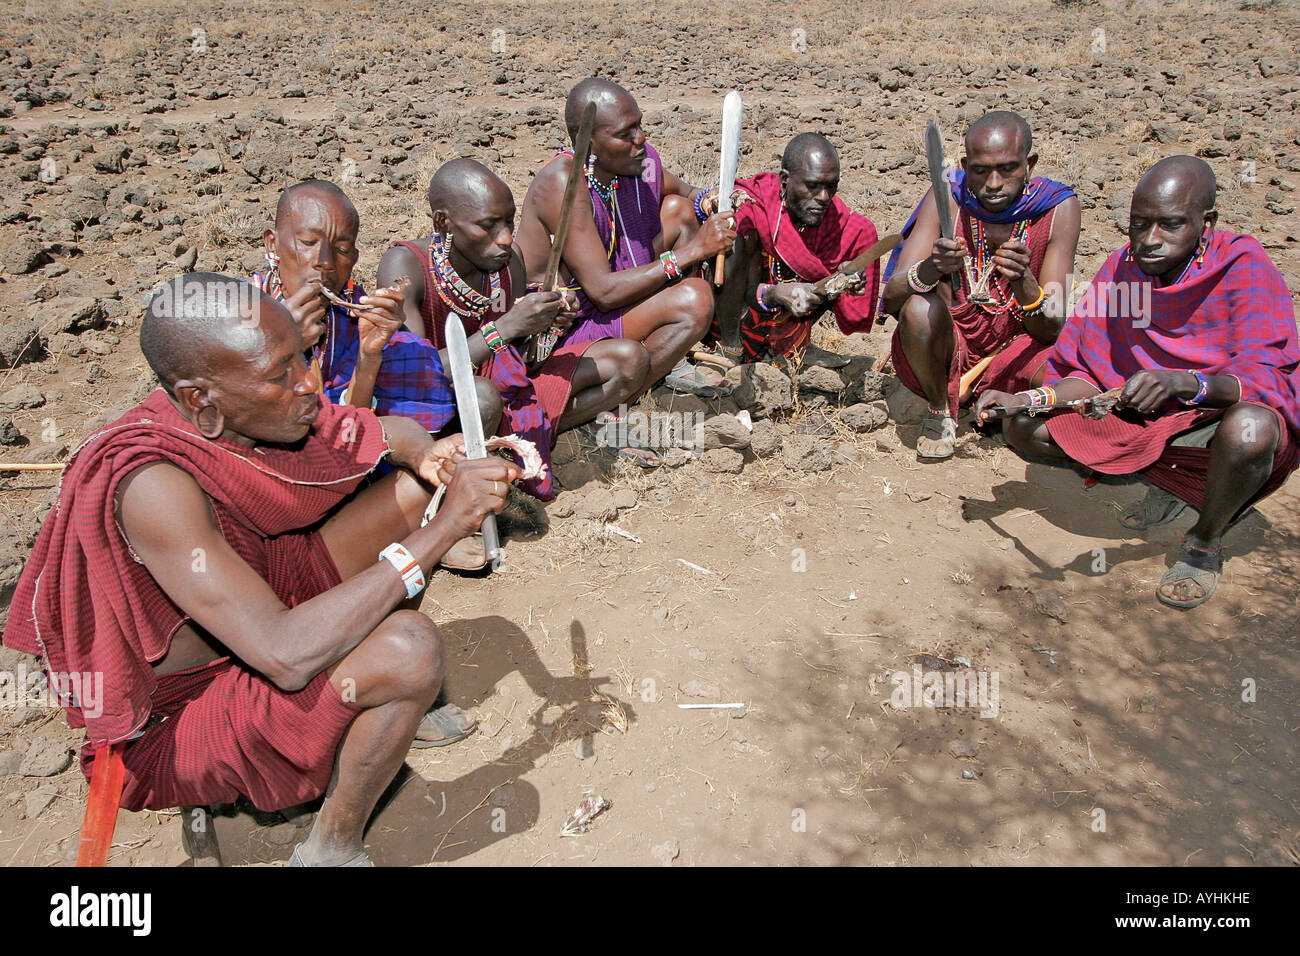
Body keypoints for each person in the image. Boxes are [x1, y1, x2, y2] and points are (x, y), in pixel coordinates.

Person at [0, 274, 520, 864]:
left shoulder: (250, 408)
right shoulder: (152, 485)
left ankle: (366, 715)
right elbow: (285, 655)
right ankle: (332, 847)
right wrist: (444, 529)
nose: (310, 382)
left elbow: (383, 433)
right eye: (282, 373)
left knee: (408, 494)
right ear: (199, 401)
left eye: (303, 356)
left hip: (264, 604)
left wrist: (428, 454)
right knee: (409, 648)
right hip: (183, 715)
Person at [975, 156, 1300, 609]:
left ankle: (1205, 541)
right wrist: (1025, 399)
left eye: (1170, 225)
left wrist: (1186, 384)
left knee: (1251, 431)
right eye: (1138, 224)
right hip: (1145, 417)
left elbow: (1265, 383)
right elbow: (1087, 374)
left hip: (1215, 418)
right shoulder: (1121, 271)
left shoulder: (1243, 267)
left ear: (1207, 223)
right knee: (1026, 427)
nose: (1149, 240)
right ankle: (1171, 482)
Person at [379, 158, 653, 477]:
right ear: (444, 222)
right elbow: (415, 375)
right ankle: (459, 481)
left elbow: (522, 364)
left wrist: (546, 329)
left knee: (629, 360)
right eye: (488, 225)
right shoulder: (406, 267)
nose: (506, 238)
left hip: (504, 394)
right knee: (482, 396)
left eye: (509, 222)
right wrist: (506, 327)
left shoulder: (510, 263)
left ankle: (512, 445)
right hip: (439, 410)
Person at [516, 77, 737, 398]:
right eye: (625, 133)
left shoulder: (635, 165)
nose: (641, 138)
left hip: (616, 295)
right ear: (587, 144)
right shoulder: (565, 184)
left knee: (680, 210)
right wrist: (694, 250)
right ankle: (630, 388)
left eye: (640, 126)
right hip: (564, 324)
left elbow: (684, 192)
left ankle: (659, 362)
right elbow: (603, 293)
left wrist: (708, 199)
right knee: (696, 300)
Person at [883, 111, 1080, 460]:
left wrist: (1026, 286)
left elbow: (1052, 328)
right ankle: (939, 408)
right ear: (965, 165)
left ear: (1029, 163)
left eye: (1008, 169)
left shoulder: (1057, 209)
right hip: (948, 345)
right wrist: (930, 268)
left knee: (1066, 372)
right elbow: (894, 296)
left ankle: (1002, 405)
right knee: (918, 309)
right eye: (980, 170)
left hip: (1015, 347)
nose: (992, 183)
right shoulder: (948, 195)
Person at [717, 132, 881, 368]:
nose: (824, 197)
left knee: (856, 243)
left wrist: (842, 283)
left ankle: (793, 344)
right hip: (738, 312)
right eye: (813, 186)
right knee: (734, 237)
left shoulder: (846, 228)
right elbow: (737, 287)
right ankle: (729, 350)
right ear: (785, 180)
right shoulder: (754, 207)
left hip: (792, 319)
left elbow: (842, 299)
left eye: (831, 186)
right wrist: (774, 294)